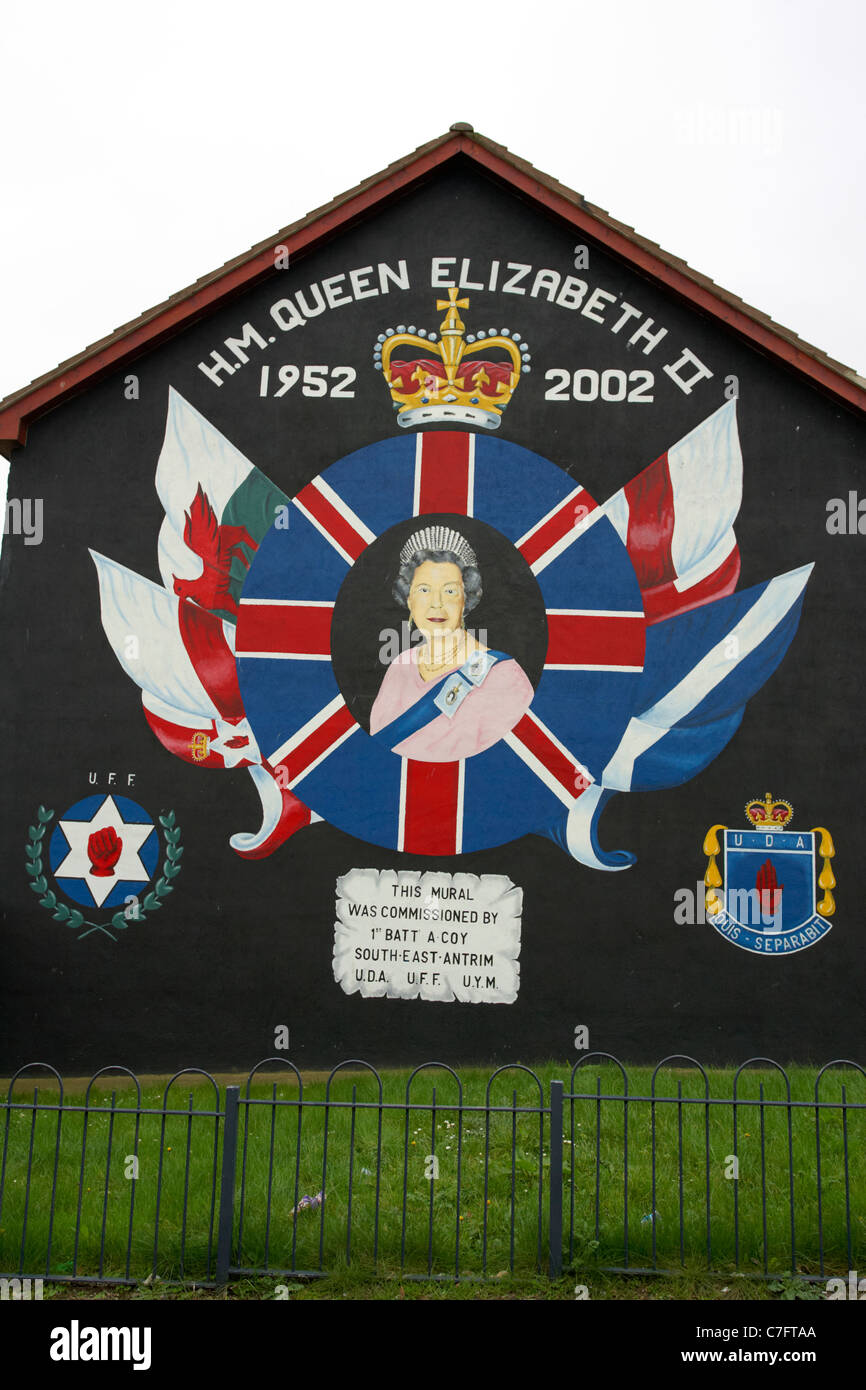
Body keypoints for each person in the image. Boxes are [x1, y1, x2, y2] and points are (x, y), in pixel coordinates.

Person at [369, 525, 534, 761]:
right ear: (409, 598)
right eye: (424, 590)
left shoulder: (506, 679)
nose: (436, 603)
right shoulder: (399, 666)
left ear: (467, 598)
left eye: (450, 591)